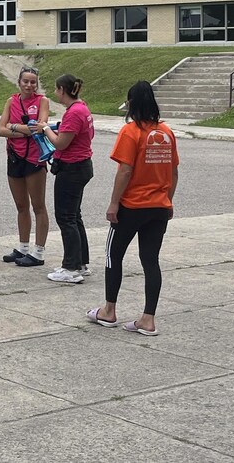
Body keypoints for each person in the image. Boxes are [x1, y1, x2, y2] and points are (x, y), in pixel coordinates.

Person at [87, 81, 179, 336]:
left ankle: (109, 310)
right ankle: (147, 319)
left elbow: (125, 170)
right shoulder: (167, 132)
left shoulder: (131, 132)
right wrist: (167, 200)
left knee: (113, 256)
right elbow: (173, 171)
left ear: (132, 103)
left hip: (132, 206)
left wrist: (114, 203)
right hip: (159, 207)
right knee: (151, 261)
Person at [31, 73, 95, 284]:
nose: (55, 93)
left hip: (72, 168)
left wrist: (46, 128)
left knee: (66, 217)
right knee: (75, 216)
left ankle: (70, 268)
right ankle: (81, 262)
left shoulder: (74, 113)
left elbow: (60, 144)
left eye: (56, 89)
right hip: (82, 165)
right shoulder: (82, 108)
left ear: (62, 90)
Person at [0, 67, 51, 267]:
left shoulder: (42, 101)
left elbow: (39, 127)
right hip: (14, 158)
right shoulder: (11, 101)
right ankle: (23, 247)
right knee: (21, 206)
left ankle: (38, 252)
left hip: (35, 159)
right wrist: (19, 128)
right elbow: (0, 130)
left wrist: (14, 128)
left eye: (33, 82)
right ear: (19, 82)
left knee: (38, 206)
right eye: (26, 81)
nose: (29, 85)